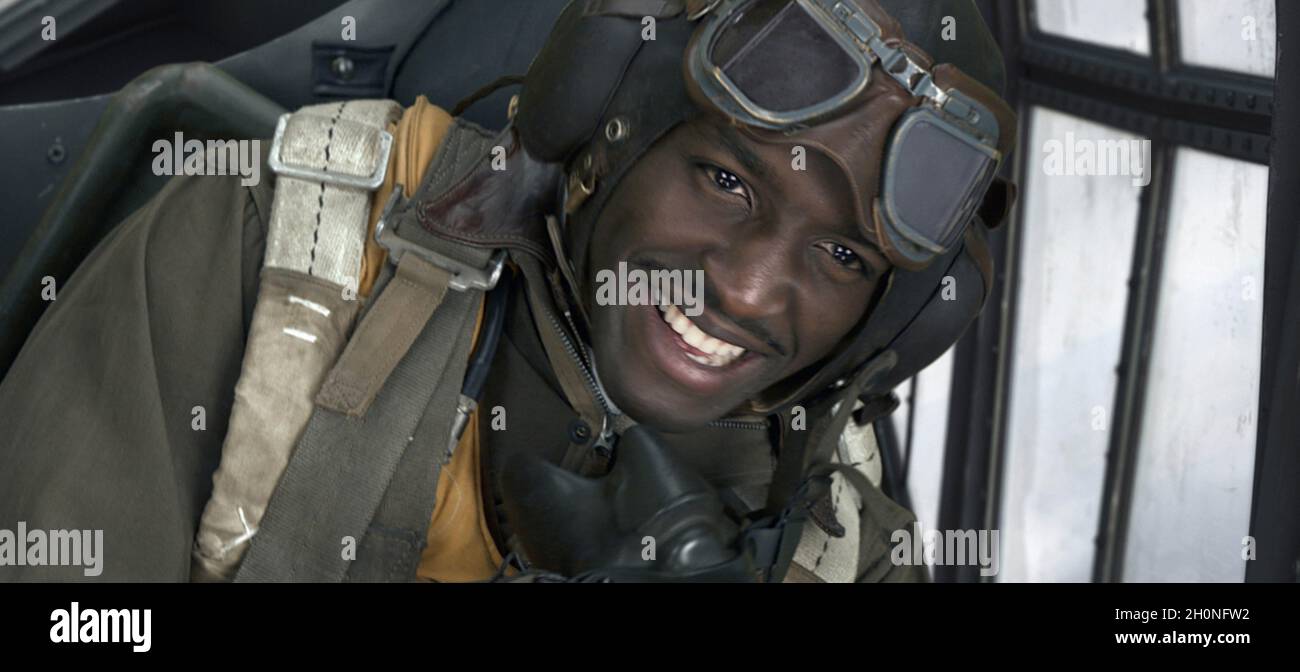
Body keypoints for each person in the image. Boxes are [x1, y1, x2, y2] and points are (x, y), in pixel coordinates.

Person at [0, 0, 1016, 582]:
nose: (748, 290)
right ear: (602, 131)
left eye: (842, 259)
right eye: (725, 180)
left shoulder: (840, 538)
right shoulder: (285, 244)